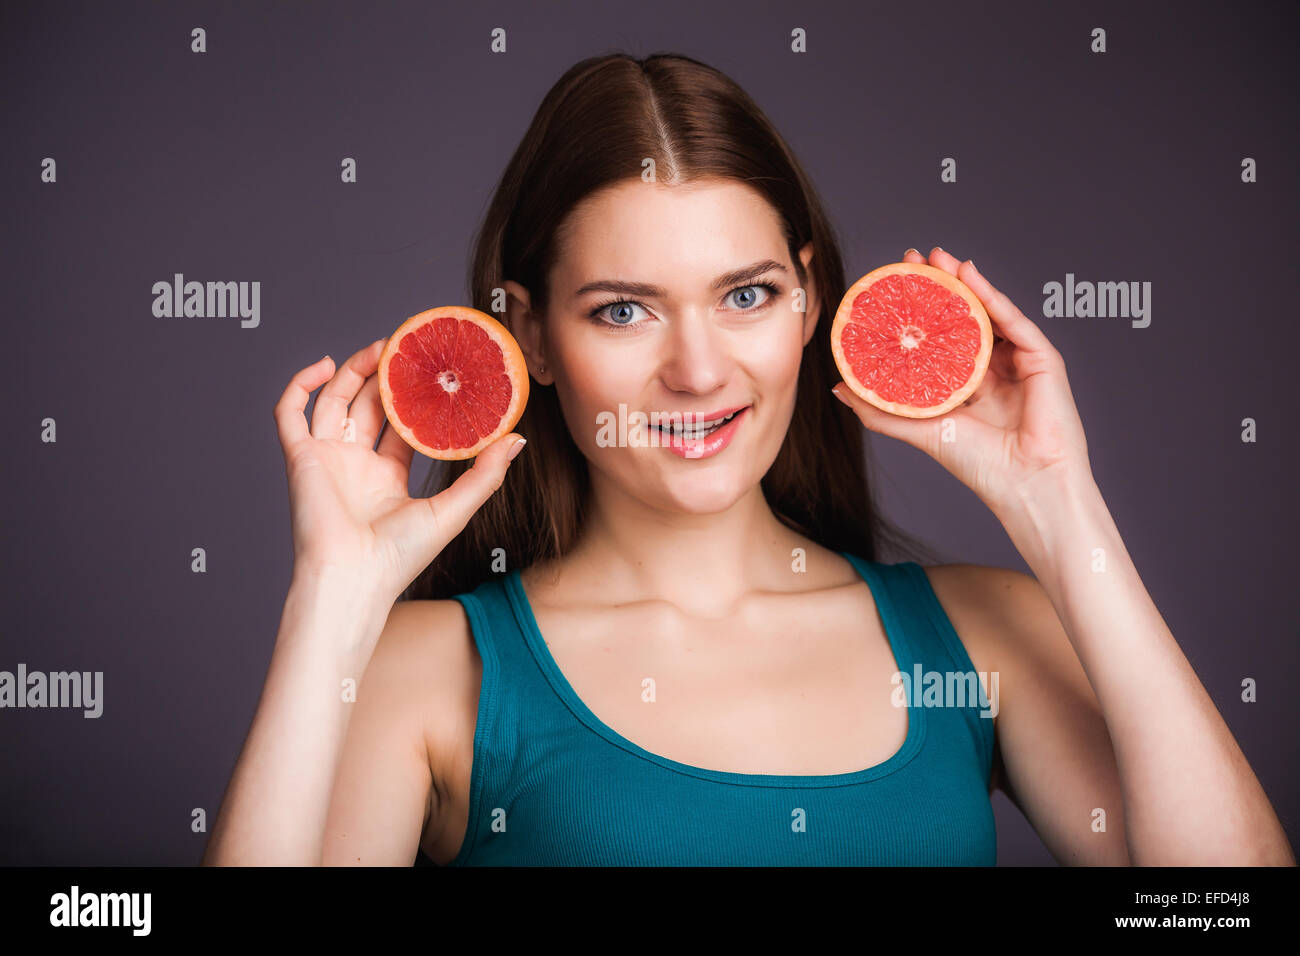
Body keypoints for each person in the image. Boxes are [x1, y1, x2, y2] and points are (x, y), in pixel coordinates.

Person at [203, 52, 1294, 866]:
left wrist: (1062, 511)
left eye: (746, 295)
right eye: (623, 309)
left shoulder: (982, 634)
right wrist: (331, 601)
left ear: (809, 295)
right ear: (531, 333)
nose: (697, 369)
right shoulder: (430, 668)